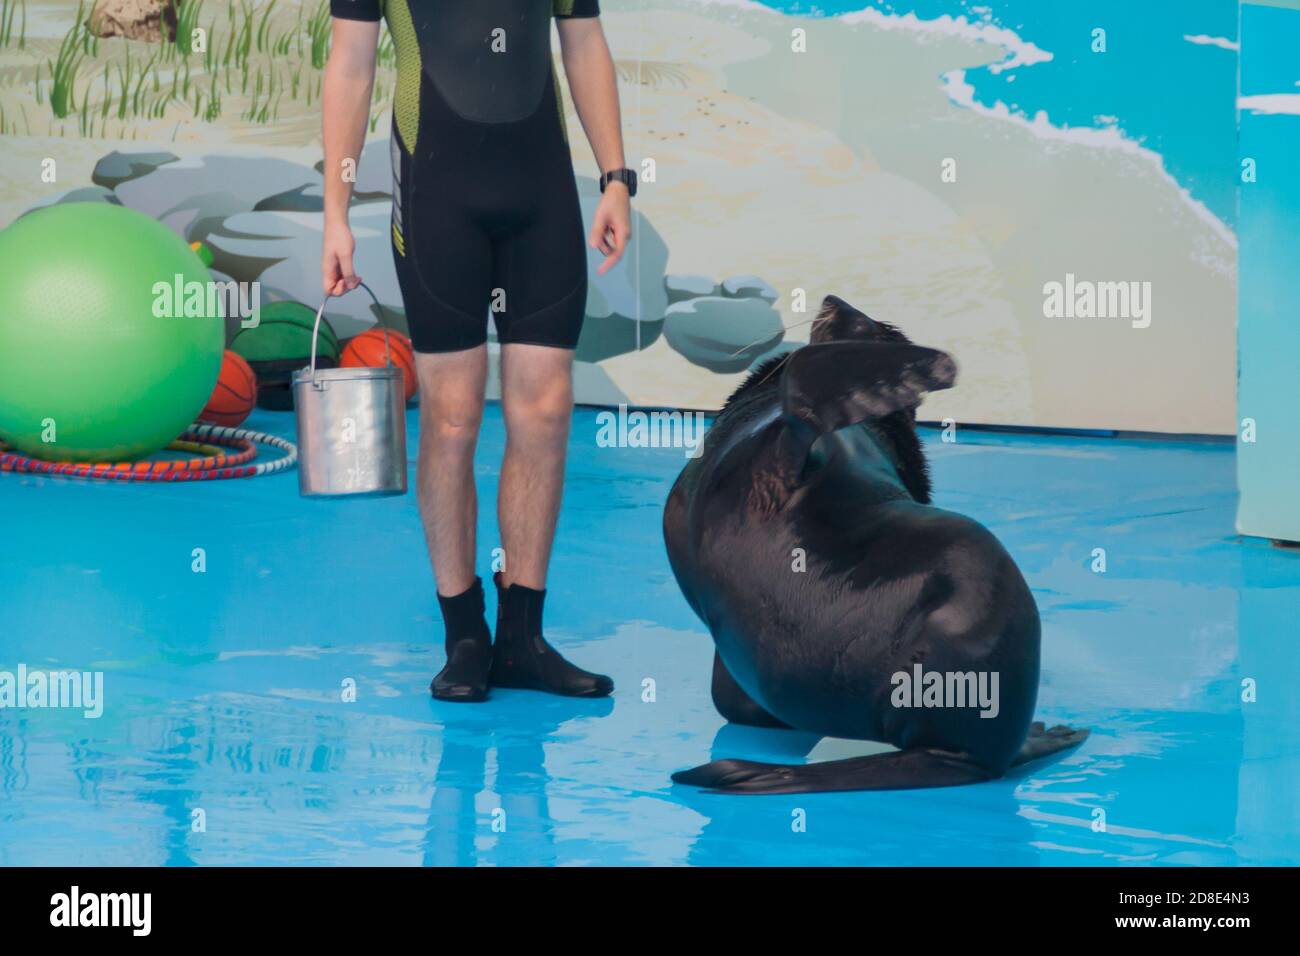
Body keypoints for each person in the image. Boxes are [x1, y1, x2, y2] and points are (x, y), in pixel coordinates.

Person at [321, 0, 636, 701]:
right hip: (437, 192)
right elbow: (351, 61)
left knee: (547, 407)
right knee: (453, 413)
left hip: (540, 188)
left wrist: (617, 178)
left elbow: (582, 39)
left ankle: (522, 636)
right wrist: (335, 214)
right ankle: (465, 633)